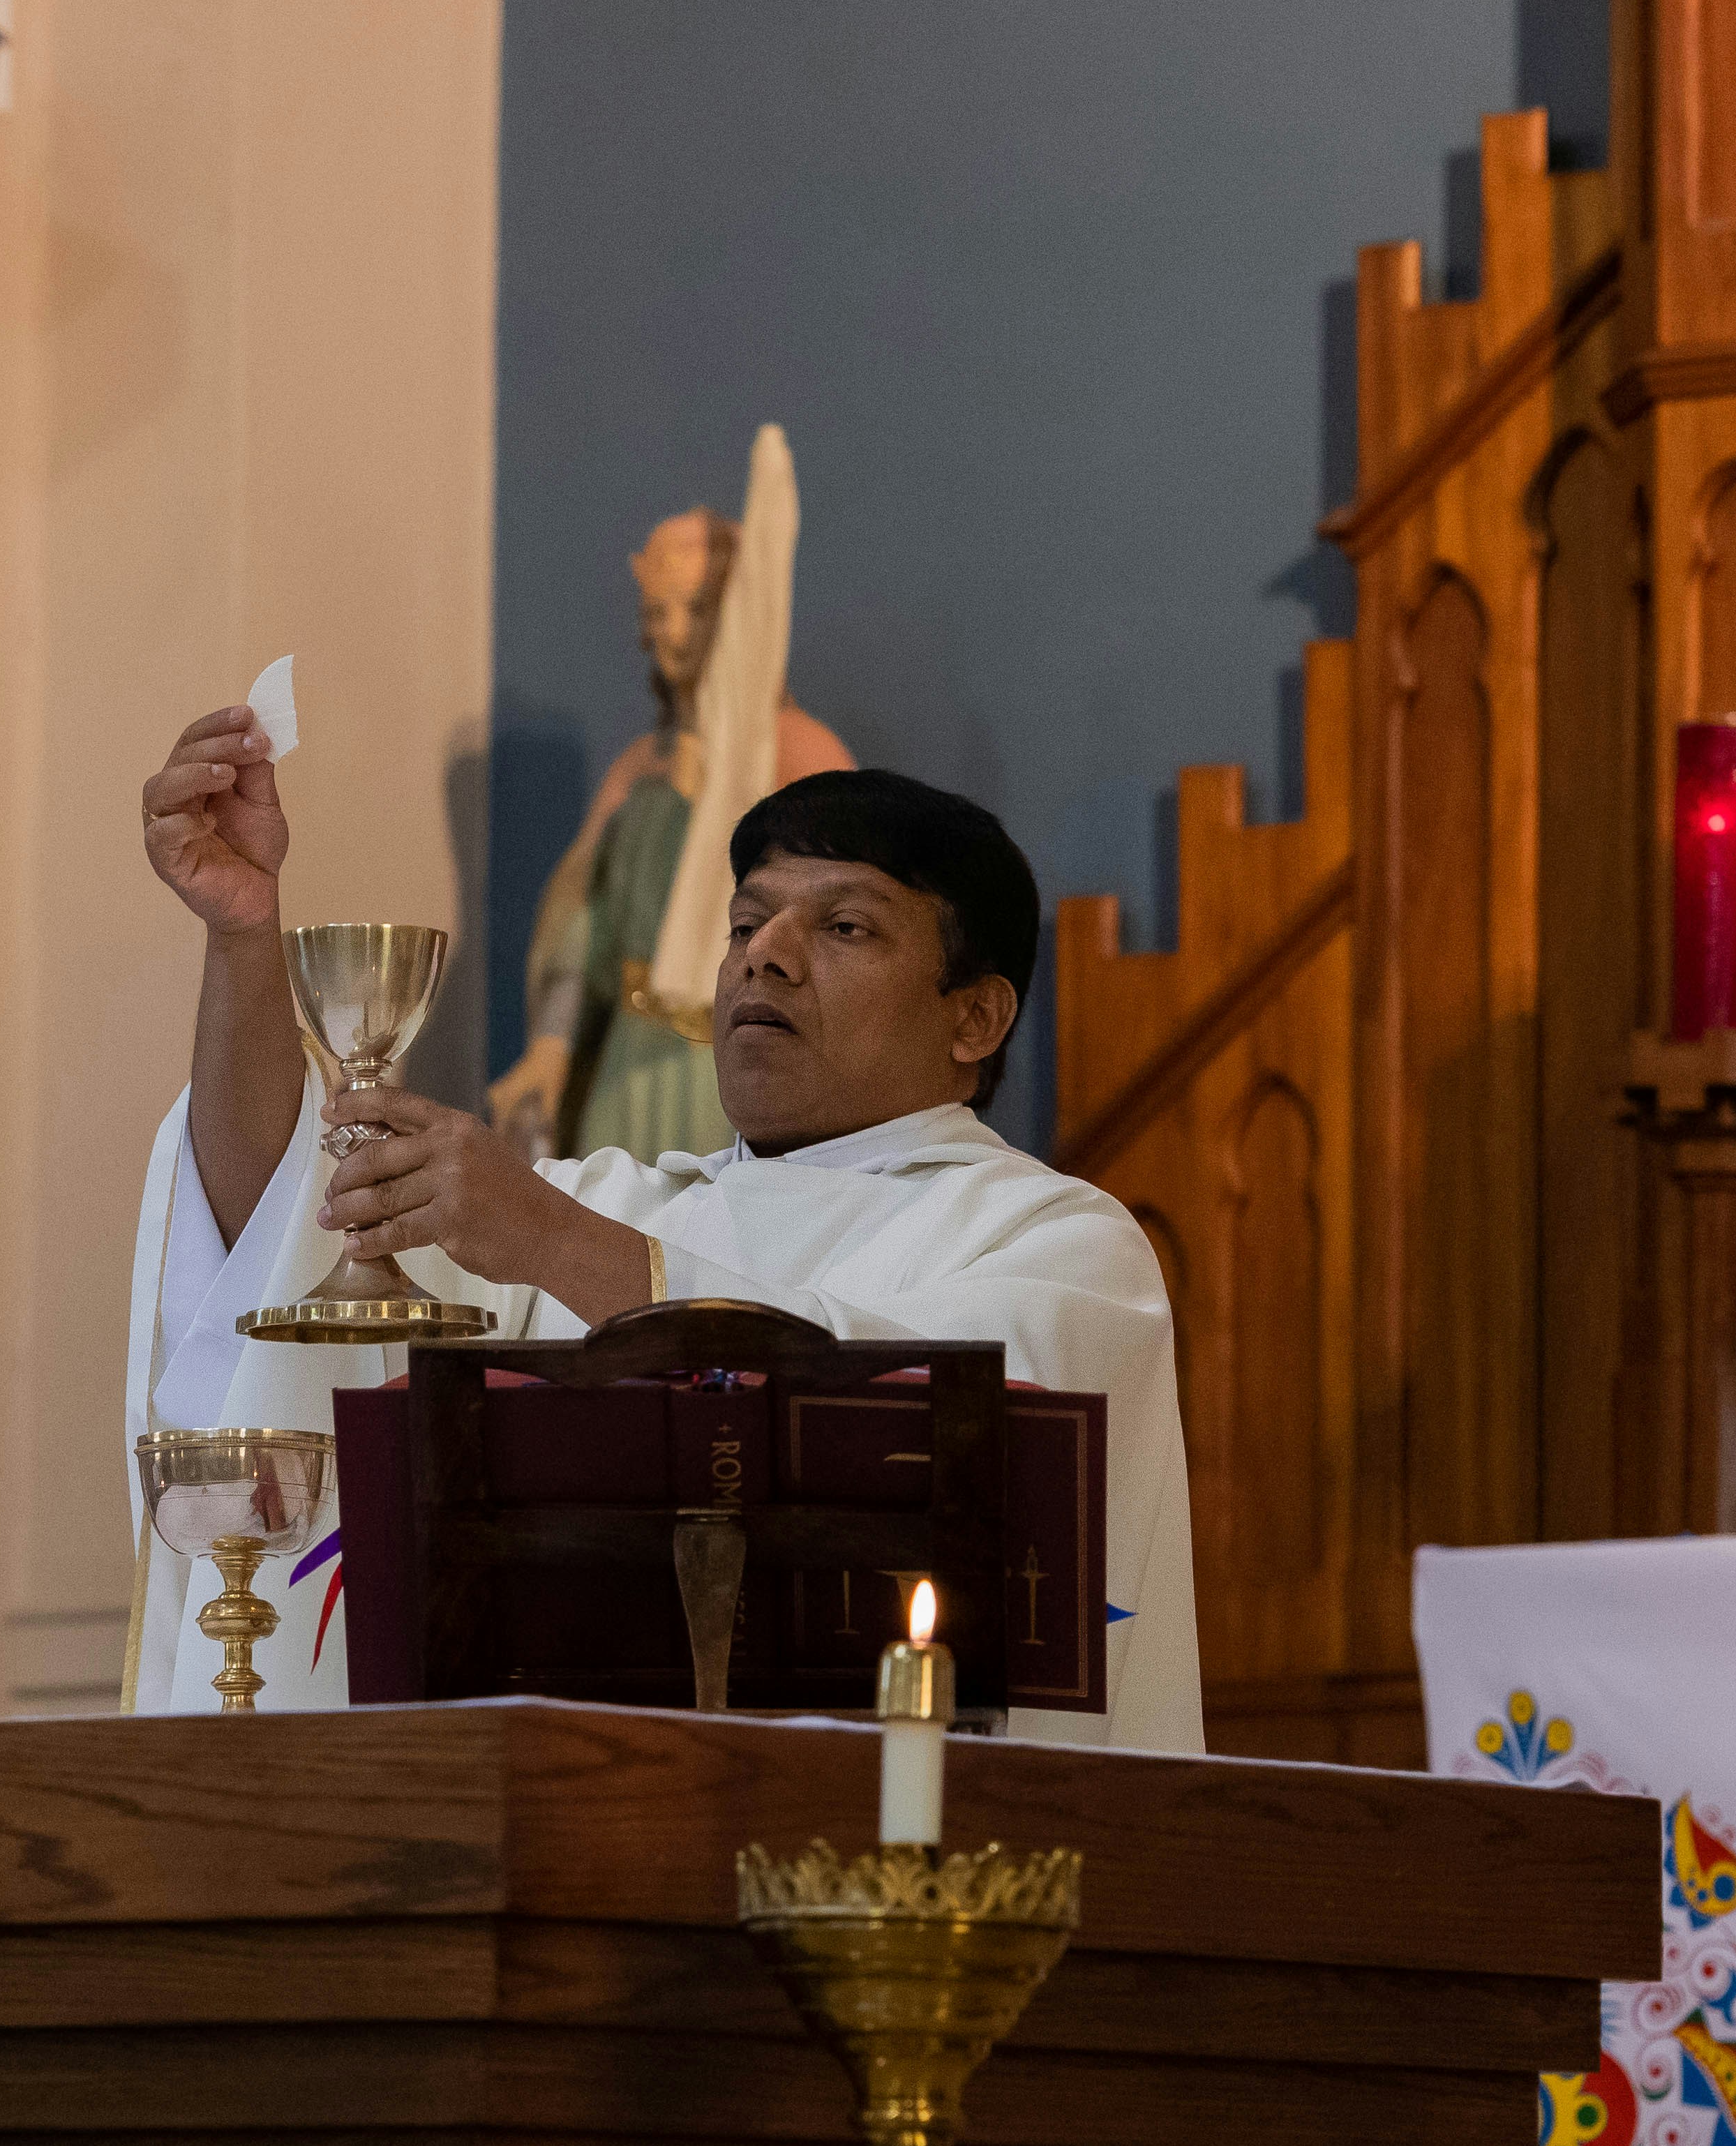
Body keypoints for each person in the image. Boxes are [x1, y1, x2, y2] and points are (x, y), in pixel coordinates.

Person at [125, 714, 1200, 1750]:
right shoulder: (620, 1206)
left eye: (843, 926)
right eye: (745, 923)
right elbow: (275, 1224)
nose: (761, 958)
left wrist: (553, 1240)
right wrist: (243, 938)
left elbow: (939, 1431)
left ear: (975, 1016)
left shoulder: (1060, 1244)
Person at [487, 427, 855, 1164]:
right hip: (629, 1062)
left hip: (740, 1064)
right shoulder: (638, 770)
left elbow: (838, 939)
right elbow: (585, 927)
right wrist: (554, 1046)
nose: (671, 635)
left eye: (693, 611)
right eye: (657, 612)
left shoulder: (805, 757)